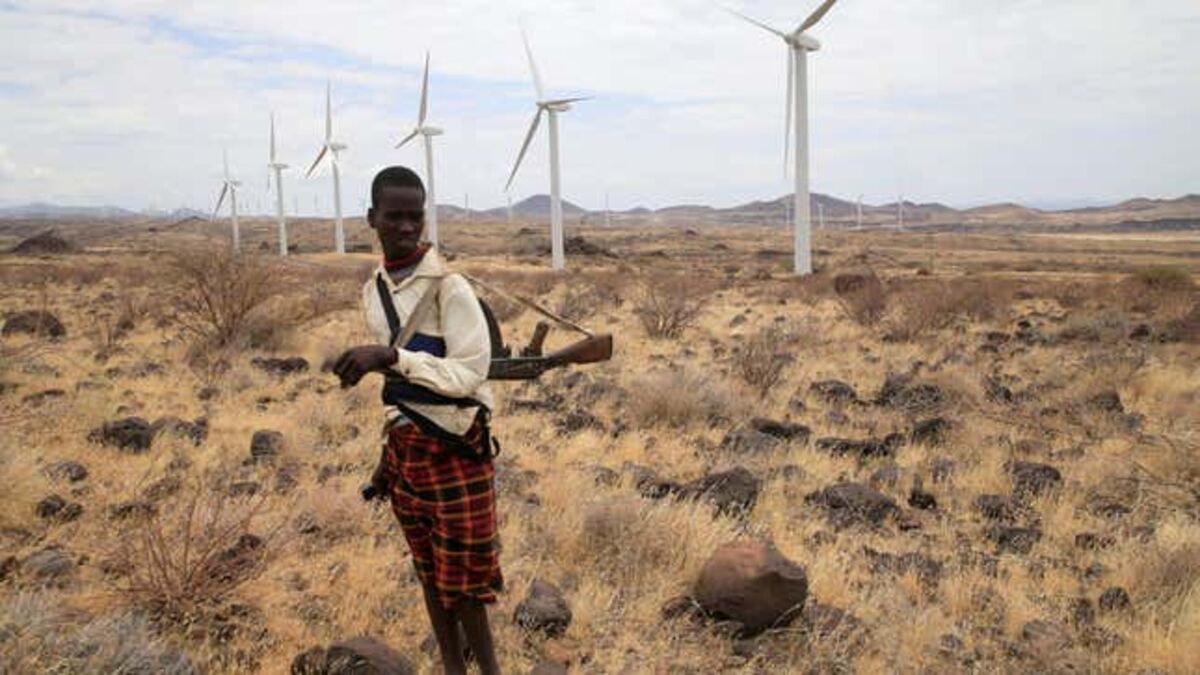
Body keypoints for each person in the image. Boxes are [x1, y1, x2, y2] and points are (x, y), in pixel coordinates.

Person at [331, 166, 502, 675]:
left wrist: (391, 359)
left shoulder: (452, 289)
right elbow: (396, 387)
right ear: (372, 219)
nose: (406, 227)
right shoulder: (373, 292)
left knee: (466, 584)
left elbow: (470, 373)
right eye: (394, 216)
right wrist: (389, 446)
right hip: (408, 450)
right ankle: (452, 667)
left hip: (456, 446)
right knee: (428, 571)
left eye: (415, 216)